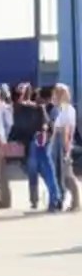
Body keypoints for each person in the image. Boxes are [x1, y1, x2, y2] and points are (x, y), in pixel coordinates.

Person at [15, 83, 61, 211]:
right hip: (41, 142)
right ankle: (53, 199)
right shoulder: (43, 108)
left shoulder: (40, 108)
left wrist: (25, 92)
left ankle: (54, 199)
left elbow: (21, 105)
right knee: (45, 172)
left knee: (44, 172)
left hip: (38, 142)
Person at [50, 84, 79, 212]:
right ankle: (69, 200)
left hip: (63, 142)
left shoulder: (68, 109)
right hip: (58, 142)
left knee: (67, 174)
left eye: (56, 94)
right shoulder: (59, 109)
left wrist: (66, 147)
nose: (53, 96)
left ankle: (76, 201)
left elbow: (68, 129)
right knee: (61, 173)